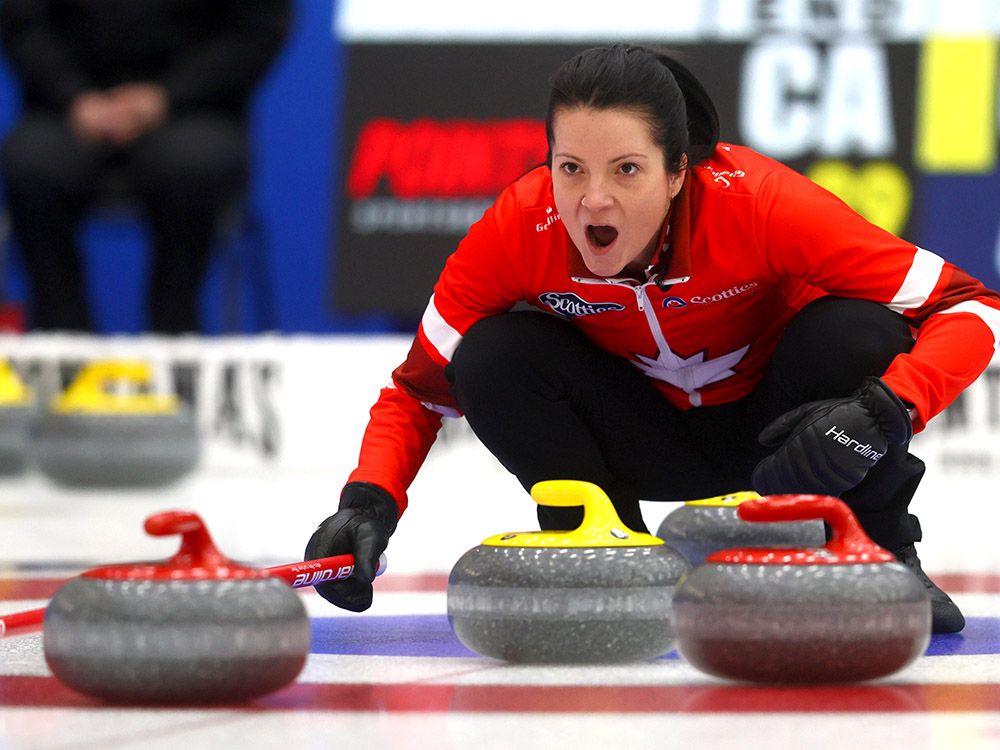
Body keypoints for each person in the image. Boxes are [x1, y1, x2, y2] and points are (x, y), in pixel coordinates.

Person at [306, 43, 1000, 634]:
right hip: (640, 442)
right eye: (570, 168)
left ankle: (879, 554)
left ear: (678, 173)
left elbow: (975, 306)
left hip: (786, 444)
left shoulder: (760, 203)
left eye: (626, 169)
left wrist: (885, 409)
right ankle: (600, 557)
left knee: (858, 334)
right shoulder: (520, 227)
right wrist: (368, 502)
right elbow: (418, 391)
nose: (592, 201)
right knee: (490, 356)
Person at [0, 0, 291, 333]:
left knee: (193, 163)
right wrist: (74, 97)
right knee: (32, 161)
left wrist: (166, 96)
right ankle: (62, 341)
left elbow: (257, 30)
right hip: (69, 112)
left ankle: (175, 337)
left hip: (193, 109)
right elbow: (22, 24)